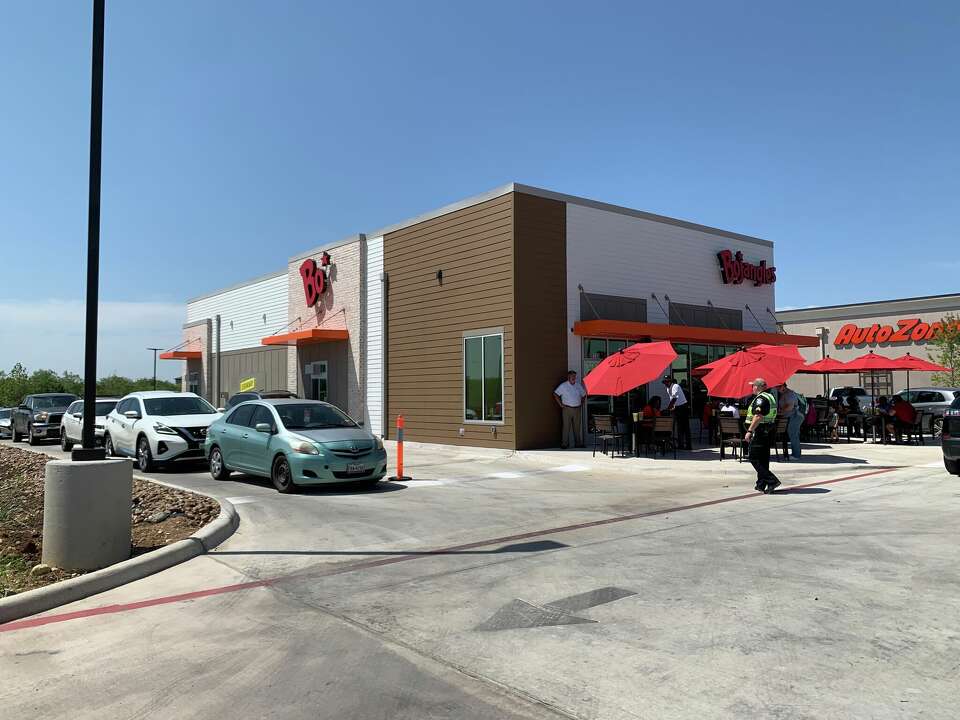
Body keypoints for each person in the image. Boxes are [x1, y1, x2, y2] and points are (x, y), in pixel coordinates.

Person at [745, 377, 781, 494]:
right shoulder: (770, 397)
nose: (752, 388)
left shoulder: (760, 399)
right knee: (763, 459)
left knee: (754, 457)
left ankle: (772, 480)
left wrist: (750, 431)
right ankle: (761, 483)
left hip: (759, 431)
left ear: (757, 387)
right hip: (767, 430)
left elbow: (758, 416)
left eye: (753, 386)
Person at [554, 371, 586, 449]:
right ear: (568, 377)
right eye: (572, 376)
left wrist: (581, 403)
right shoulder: (563, 386)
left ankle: (578, 444)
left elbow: (584, 394)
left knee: (577, 427)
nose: (574, 378)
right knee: (566, 427)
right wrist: (561, 405)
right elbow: (555, 394)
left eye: (575, 376)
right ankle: (564, 444)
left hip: (577, 409)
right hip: (567, 409)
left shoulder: (578, 385)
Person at [662, 376, 691, 450]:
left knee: (685, 427)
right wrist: (672, 407)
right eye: (664, 382)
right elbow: (672, 399)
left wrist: (668, 408)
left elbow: (674, 397)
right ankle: (681, 444)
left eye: (666, 382)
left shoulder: (675, 386)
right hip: (677, 408)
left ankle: (688, 445)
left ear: (670, 381)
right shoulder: (668, 389)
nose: (665, 384)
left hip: (683, 407)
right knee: (679, 427)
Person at [777, 382, 803, 459]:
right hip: (791, 416)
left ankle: (796, 455)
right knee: (793, 434)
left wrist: (779, 412)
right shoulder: (784, 394)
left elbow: (790, 407)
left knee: (793, 434)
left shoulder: (790, 394)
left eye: (778, 387)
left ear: (783, 386)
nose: (777, 389)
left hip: (794, 416)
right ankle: (795, 454)